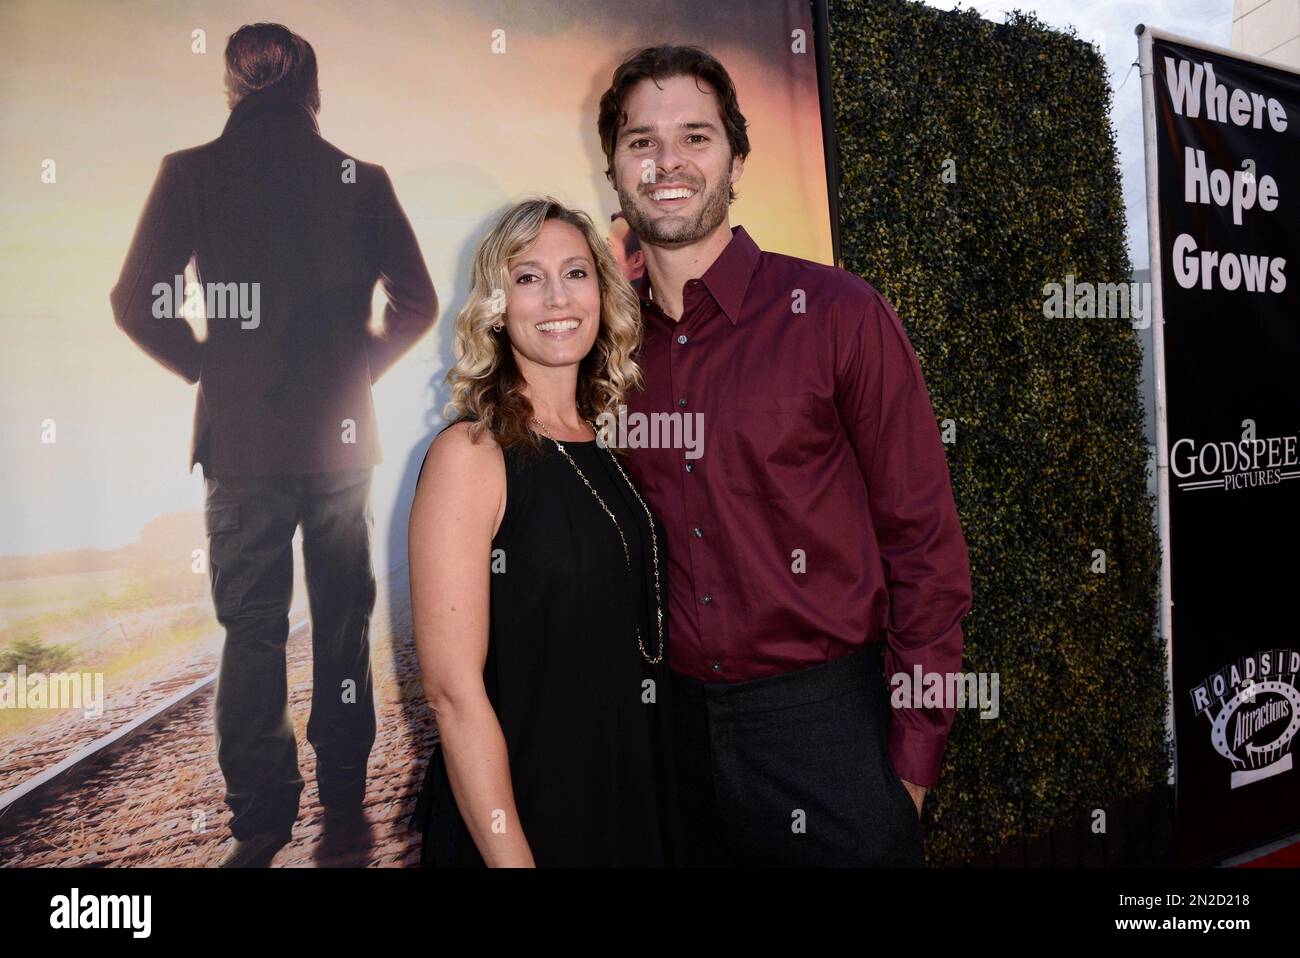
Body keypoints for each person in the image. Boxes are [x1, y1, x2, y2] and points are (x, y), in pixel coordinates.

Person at [596, 44, 973, 866]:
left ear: (737, 156)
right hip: (674, 738)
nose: (667, 162)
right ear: (614, 168)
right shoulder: (605, 348)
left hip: (828, 734)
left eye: (695, 136)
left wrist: (910, 766)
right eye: (640, 141)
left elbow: (926, 549)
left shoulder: (840, 314)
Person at [110, 23, 438, 867]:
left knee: (251, 629)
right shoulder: (361, 180)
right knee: (341, 617)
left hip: (243, 447)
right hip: (339, 441)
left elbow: (135, 301)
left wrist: (210, 367)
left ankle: (260, 815)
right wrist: (358, 364)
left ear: (232, 87)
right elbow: (418, 302)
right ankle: (340, 787)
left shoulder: (192, 174)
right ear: (313, 89)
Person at [406, 197, 680, 866]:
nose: (557, 296)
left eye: (576, 273)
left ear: (603, 292)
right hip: (529, 815)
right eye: (528, 277)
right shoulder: (471, 455)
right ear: (498, 307)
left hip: (626, 798)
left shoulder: (610, 447)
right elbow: (452, 692)